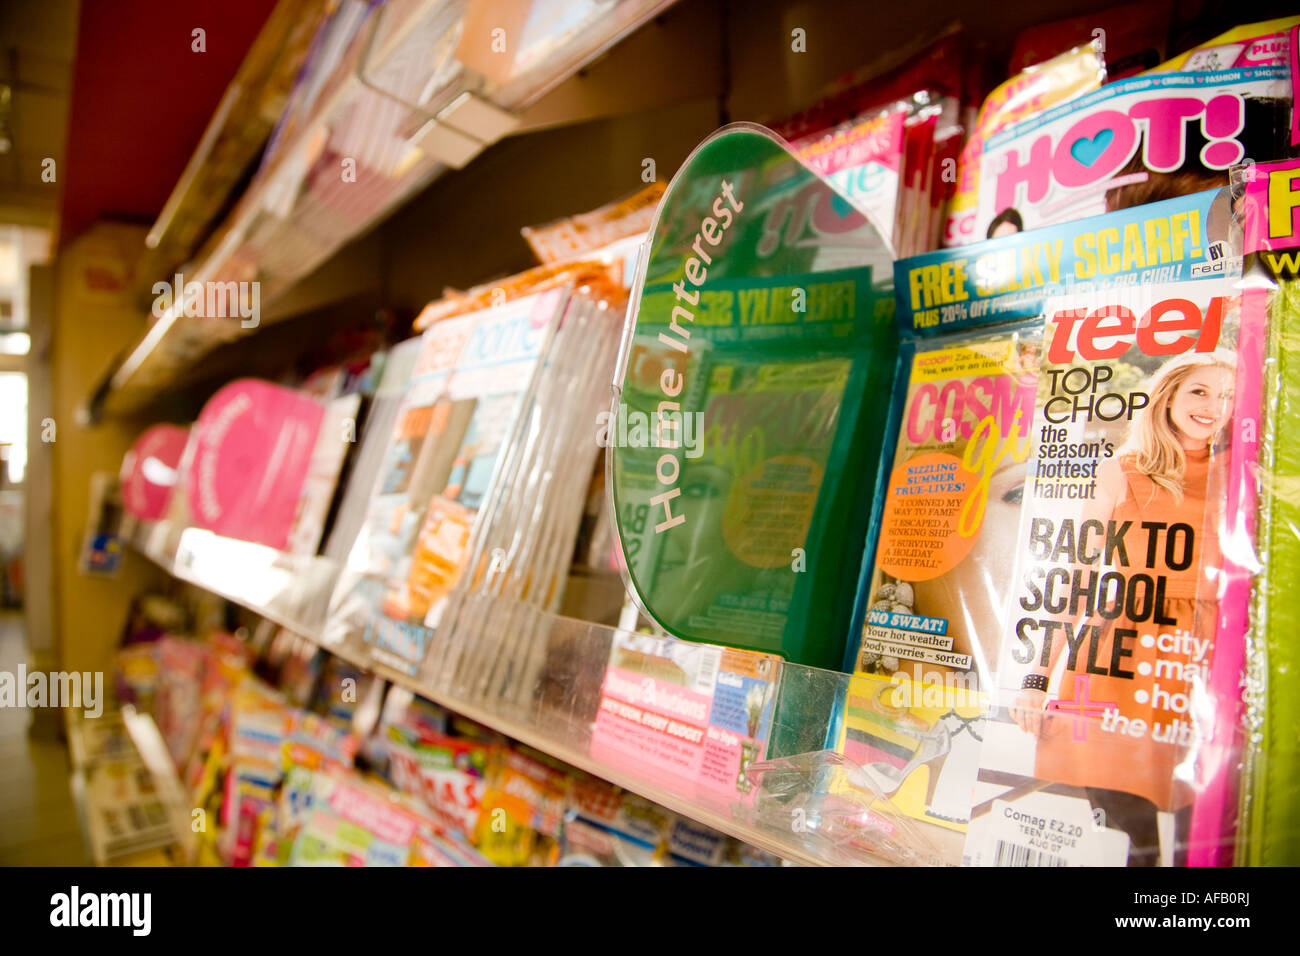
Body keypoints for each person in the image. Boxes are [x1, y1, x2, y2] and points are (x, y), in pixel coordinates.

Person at [1011, 350, 1236, 865]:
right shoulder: (1120, 470)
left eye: (1225, 395)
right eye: (1199, 390)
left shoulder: (1241, 475)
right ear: (1169, 395)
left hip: (1200, 650)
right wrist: (1038, 676)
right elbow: (1075, 576)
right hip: (1121, 646)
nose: (1212, 406)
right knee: (1117, 803)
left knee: (1198, 811)